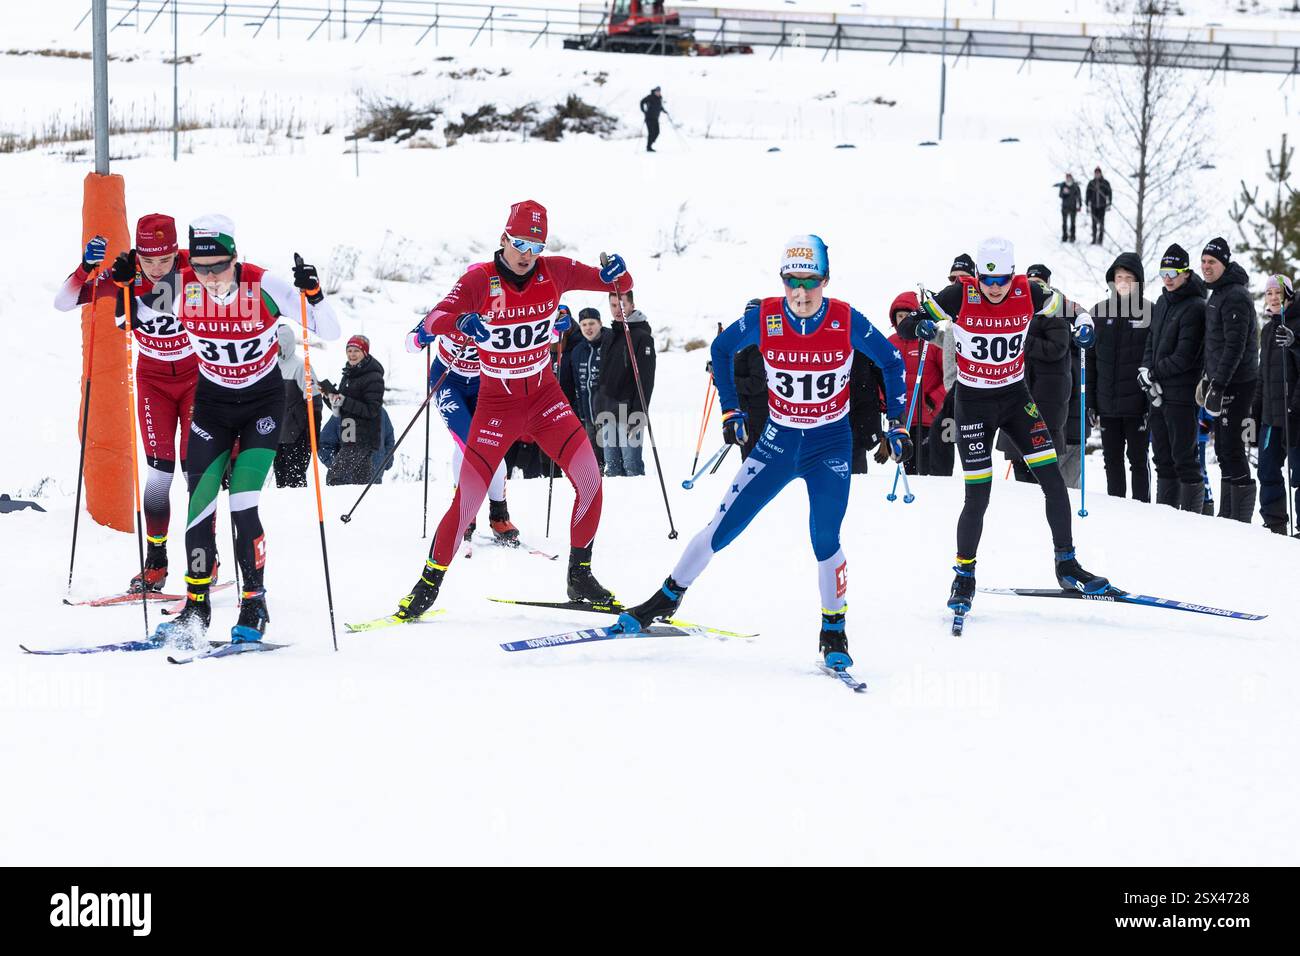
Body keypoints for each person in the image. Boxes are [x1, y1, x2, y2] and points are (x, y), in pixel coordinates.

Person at [616, 235, 909, 670]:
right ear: (782, 280)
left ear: (825, 279)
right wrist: (730, 407)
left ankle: (834, 630)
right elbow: (720, 350)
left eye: (811, 281)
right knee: (722, 526)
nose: (802, 293)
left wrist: (897, 422)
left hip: (830, 444)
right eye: (793, 281)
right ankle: (667, 597)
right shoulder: (766, 317)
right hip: (778, 442)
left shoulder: (846, 319)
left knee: (825, 537)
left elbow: (891, 362)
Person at [390, 200, 631, 622]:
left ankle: (581, 577)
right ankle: (427, 584)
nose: (526, 254)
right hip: (496, 405)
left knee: (591, 479)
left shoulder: (555, 271)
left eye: (535, 246)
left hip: (545, 398)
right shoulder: (479, 280)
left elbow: (617, 284)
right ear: (503, 239)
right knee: (467, 500)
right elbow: (434, 318)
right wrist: (459, 323)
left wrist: (617, 273)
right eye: (519, 243)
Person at [147, 214, 339, 644]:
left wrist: (315, 294)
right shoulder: (178, 287)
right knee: (199, 504)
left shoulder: (264, 284)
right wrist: (126, 281)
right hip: (212, 406)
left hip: (261, 406)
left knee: (243, 502)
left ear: (236, 258)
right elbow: (132, 319)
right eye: (201, 267)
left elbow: (330, 330)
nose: (211, 277)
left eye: (219, 266)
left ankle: (254, 602)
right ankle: (196, 608)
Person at [899, 236, 1110, 618]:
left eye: (1001, 281)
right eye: (986, 280)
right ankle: (964, 574)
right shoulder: (960, 294)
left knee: (1051, 478)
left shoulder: (1029, 290)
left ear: (1013, 275)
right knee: (978, 494)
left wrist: (1084, 324)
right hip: (974, 405)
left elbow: (1075, 310)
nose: (994, 289)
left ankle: (1067, 564)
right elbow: (916, 315)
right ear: (977, 276)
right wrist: (917, 324)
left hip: (1015, 399)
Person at [54, 214, 200, 593]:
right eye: (149, 261)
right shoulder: (124, 275)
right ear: (138, 254)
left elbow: (239, 293)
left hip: (196, 379)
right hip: (153, 382)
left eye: (164, 261)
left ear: (175, 252)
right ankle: (156, 561)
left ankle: (205, 556)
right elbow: (64, 302)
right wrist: (86, 268)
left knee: (196, 472)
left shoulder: (194, 270)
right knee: (158, 473)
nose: (156, 269)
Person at [408, 297, 524, 543]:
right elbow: (410, 343)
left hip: (485, 383)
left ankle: (498, 514)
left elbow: (531, 337)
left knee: (490, 444)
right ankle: (465, 511)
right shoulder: (446, 310)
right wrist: (421, 338)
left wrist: (557, 330)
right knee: (470, 444)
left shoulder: (501, 312)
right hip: (449, 381)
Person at [1139, 243, 1207, 511]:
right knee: (1163, 458)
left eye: (1173, 273)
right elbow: (1151, 341)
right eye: (1163, 272)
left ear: (1186, 273)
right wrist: (1145, 371)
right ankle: (1165, 516)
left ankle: (1192, 518)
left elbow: (1186, 356)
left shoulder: (1196, 306)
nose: (1167, 278)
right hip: (1157, 393)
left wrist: (1154, 372)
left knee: (1184, 458)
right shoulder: (1163, 301)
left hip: (1180, 394)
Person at [1198, 237, 1259, 522]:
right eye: (1204, 261)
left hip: (1237, 382)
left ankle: (1240, 518)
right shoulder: (1218, 293)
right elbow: (1215, 344)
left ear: (1224, 263)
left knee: (1231, 446)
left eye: (1212, 262)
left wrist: (1219, 384)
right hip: (1221, 380)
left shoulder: (1234, 294)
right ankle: (1228, 514)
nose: (1206, 267)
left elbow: (1235, 346)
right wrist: (1208, 378)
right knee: (1222, 447)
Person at [1087, 253, 1152, 502]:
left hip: (1137, 406)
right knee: (1111, 460)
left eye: (1129, 278)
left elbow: (1153, 358)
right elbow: (1090, 362)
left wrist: (1149, 404)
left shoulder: (1149, 312)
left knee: (1138, 460)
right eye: (1119, 277)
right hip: (1107, 404)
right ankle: (1116, 509)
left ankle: (1142, 508)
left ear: (1138, 282)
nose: (1123, 282)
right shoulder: (1099, 313)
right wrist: (1091, 402)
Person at [1008, 264, 1072, 485]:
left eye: (1039, 285)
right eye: (1030, 284)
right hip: (1019, 389)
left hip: (1047, 394)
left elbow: (1058, 348)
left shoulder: (1055, 310)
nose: (1034, 289)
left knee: (1042, 460)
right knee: (1018, 456)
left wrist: (1023, 341)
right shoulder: (1018, 310)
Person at [1254, 275, 1300, 533]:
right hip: (1271, 417)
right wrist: (1255, 412)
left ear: (1289, 296)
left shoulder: (1297, 325)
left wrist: (1295, 407)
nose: (1272, 297)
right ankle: (1274, 522)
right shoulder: (1268, 330)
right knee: (1268, 470)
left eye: (1278, 292)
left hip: (1295, 415)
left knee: (1299, 474)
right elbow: (1263, 375)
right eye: (1268, 293)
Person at [924, 252, 975, 476]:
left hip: (968, 387)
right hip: (952, 388)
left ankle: (946, 480)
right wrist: (928, 331)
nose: (956, 284)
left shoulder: (974, 310)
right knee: (947, 435)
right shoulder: (954, 316)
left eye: (962, 279)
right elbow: (948, 342)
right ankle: (949, 480)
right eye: (952, 279)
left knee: (943, 434)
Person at [886, 291, 945, 475]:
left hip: (929, 418)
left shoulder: (930, 341)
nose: (903, 321)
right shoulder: (890, 342)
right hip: (903, 420)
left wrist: (935, 399)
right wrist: (884, 401)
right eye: (899, 316)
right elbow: (883, 375)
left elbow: (951, 376)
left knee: (928, 469)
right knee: (908, 470)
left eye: (906, 316)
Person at [599, 289, 656, 477]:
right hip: (608, 411)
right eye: (614, 305)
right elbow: (604, 376)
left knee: (632, 466)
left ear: (632, 305)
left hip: (629, 412)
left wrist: (639, 413)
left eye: (622, 305)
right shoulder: (610, 335)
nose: (617, 310)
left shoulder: (641, 336)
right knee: (611, 468)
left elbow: (646, 380)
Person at [318, 334, 386, 486]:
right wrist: (328, 396)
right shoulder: (348, 375)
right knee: (361, 483)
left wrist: (343, 400)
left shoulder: (373, 377)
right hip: (348, 434)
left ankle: (337, 507)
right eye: (349, 350)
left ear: (365, 353)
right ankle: (362, 508)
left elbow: (371, 410)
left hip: (362, 438)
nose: (352, 354)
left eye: (356, 350)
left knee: (334, 477)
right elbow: (343, 410)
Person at [559, 306, 613, 471]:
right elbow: (578, 385)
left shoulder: (610, 344)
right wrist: (581, 414)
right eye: (584, 324)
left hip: (610, 414)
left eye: (592, 323)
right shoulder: (578, 351)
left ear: (600, 323)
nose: (588, 328)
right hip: (588, 415)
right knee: (595, 463)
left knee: (612, 462)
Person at [272, 325, 322, 489]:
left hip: (297, 434)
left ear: (285, 343)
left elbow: (314, 401)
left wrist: (314, 432)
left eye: (276, 343)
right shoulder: (270, 366)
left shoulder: (301, 366)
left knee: (295, 481)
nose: (272, 347)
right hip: (276, 434)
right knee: (280, 481)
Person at [320, 405, 395, 484]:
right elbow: (324, 444)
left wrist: (385, 463)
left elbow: (389, 440)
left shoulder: (380, 412)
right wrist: (336, 466)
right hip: (344, 483)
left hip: (374, 480)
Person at [733, 298, 770, 460]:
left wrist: (729, 381)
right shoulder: (744, 342)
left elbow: (757, 384)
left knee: (754, 463)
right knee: (748, 461)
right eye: (747, 316)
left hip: (757, 414)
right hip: (744, 411)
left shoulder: (758, 345)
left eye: (754, 316)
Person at [1085, 167, 1113, 245]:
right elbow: (1087, 194)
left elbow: (1109, 193)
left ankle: (1100, 239)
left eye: (1098, 172)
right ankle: (1094, 239)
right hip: (1093, 206)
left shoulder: (1105, 183)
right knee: (1094, 223)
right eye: (1096, 173)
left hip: (1102, 206)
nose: (1097, 174)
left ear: (1100, 173)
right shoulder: (1091, 183)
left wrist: (1109, 203)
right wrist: (1087, 205)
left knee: (1101, 223)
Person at [1055, 174, 1082, 243]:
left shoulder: (1075, 186)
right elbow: (1060, 195)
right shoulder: (1063, 185)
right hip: (1065, 207)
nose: (1068, 179)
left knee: (1073, 223)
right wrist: (1064, 192)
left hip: (1073, 207)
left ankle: (1072, 236)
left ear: (1071, 178)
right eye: (1067, 178)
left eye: (1069, 178)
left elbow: (1079, 197)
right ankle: (1064, 236)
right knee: (1064, 223)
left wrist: (1079, 206)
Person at [640, 86, 664, 153]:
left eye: (659, 91)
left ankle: (650, 143)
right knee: (651, 133)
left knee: (657, 132)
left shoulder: (659, 98)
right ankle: (648, 147)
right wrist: (643, 110)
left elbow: (659, 106)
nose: (658, 92)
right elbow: (642, 102)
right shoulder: (650, 97)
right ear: (654, 91)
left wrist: (664, 110)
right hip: (649, 118)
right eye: (657, 91)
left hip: (655, 118)